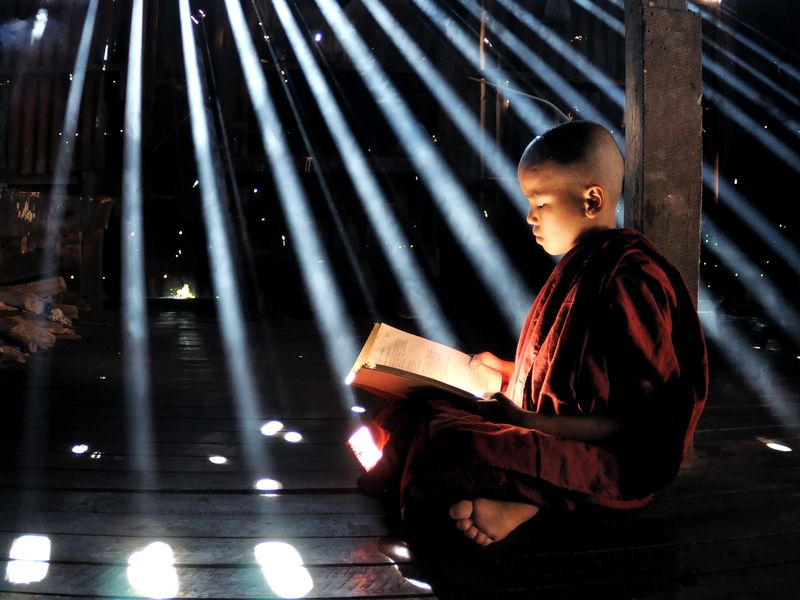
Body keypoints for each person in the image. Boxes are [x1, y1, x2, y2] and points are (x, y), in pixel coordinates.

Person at [358, 120, 708, 547]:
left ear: (591, 199)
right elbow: (569, 371)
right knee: (417, 408)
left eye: (539, 202)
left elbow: (645, 424)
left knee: (449, 442)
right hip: (540, 426)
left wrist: (527, 421)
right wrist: (506, 371)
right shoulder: (578, 264)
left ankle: (532, 500)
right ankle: (526, 495)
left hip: (605, 457)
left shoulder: (630, 277)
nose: (530, 216)